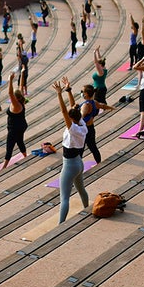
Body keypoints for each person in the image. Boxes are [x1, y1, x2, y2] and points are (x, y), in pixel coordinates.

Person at [53, 77, 91, 223]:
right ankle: (87, 208)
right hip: (79, 164)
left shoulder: (73, 128)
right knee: (81, 190)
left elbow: (64, 110)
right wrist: (68, 90)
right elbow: (72, 107)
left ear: (71, 119)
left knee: (64, 198)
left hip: (69, 166)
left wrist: (59, 94)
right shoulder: (82, 124)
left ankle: (60, 225)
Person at [0, 82, 29, 170]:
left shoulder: (16, 105)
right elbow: (20, 87)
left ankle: (4, 167)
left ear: (15, 97)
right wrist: (22, 74)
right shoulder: (21, 101)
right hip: (21, 126)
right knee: (20, 141)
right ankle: (25, 156)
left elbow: (10, 93)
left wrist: (10, 80)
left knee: (10, 146)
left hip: (15, 128)